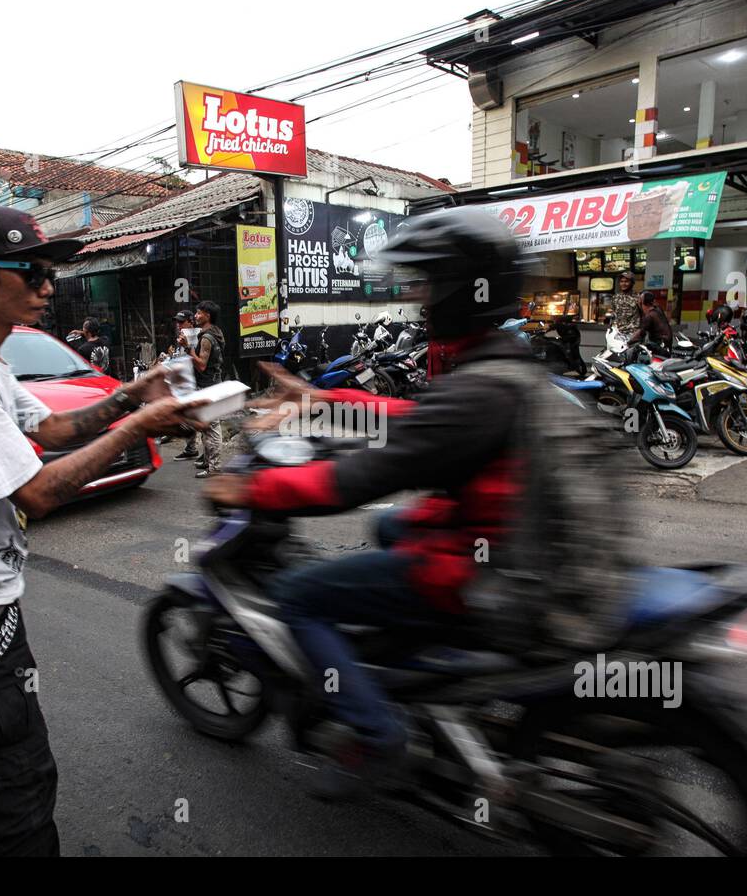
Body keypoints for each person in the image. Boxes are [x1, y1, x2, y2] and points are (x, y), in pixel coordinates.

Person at [204, 208, 579, 786]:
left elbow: (352, 482)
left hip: (481, 569)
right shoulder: (503, 366)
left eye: (429, 286)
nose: (422, 301)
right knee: (388, 530)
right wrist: (322, 401)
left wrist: (253, 487)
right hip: (509, 543)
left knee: (297, 596)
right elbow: (416, 419)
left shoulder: (479, 388)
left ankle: (379, 736)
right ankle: (407, 668)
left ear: (460, 291)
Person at [0, 205, 199, 857]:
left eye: (50, 271)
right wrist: (137, 429)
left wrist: (132, 394)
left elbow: (52, 429)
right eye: (30, 271)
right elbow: (37, 492)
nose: (47, 285)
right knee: (17, 788)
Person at [180, 300, 225, 478]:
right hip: (212, 383)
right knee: (206, 425)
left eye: (199, 313)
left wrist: (188, 348)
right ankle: (208, 460)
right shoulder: (215, 332)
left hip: (208, 385)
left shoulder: (206, 338)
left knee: (212, 426)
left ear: (207, 315)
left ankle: (215, 467)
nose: (196, 316)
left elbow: (201, 365)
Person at [168, 309, 202, 464]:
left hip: (195, 381)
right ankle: (191, 449)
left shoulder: (196, 336)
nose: (178, 324)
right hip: (184, 380)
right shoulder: (183, 335)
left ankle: (200, 451)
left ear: (190, 321)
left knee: (198, 418)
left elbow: (196, 359)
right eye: (177, 321)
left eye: (182, 321)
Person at [611, 270, 641, 339]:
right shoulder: (615, 297)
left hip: (633, 334)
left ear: (632, 283)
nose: (623, 284)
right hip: (617, 334)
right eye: (621, 281)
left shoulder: (638, 298)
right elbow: (614, 314)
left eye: (626, 281)